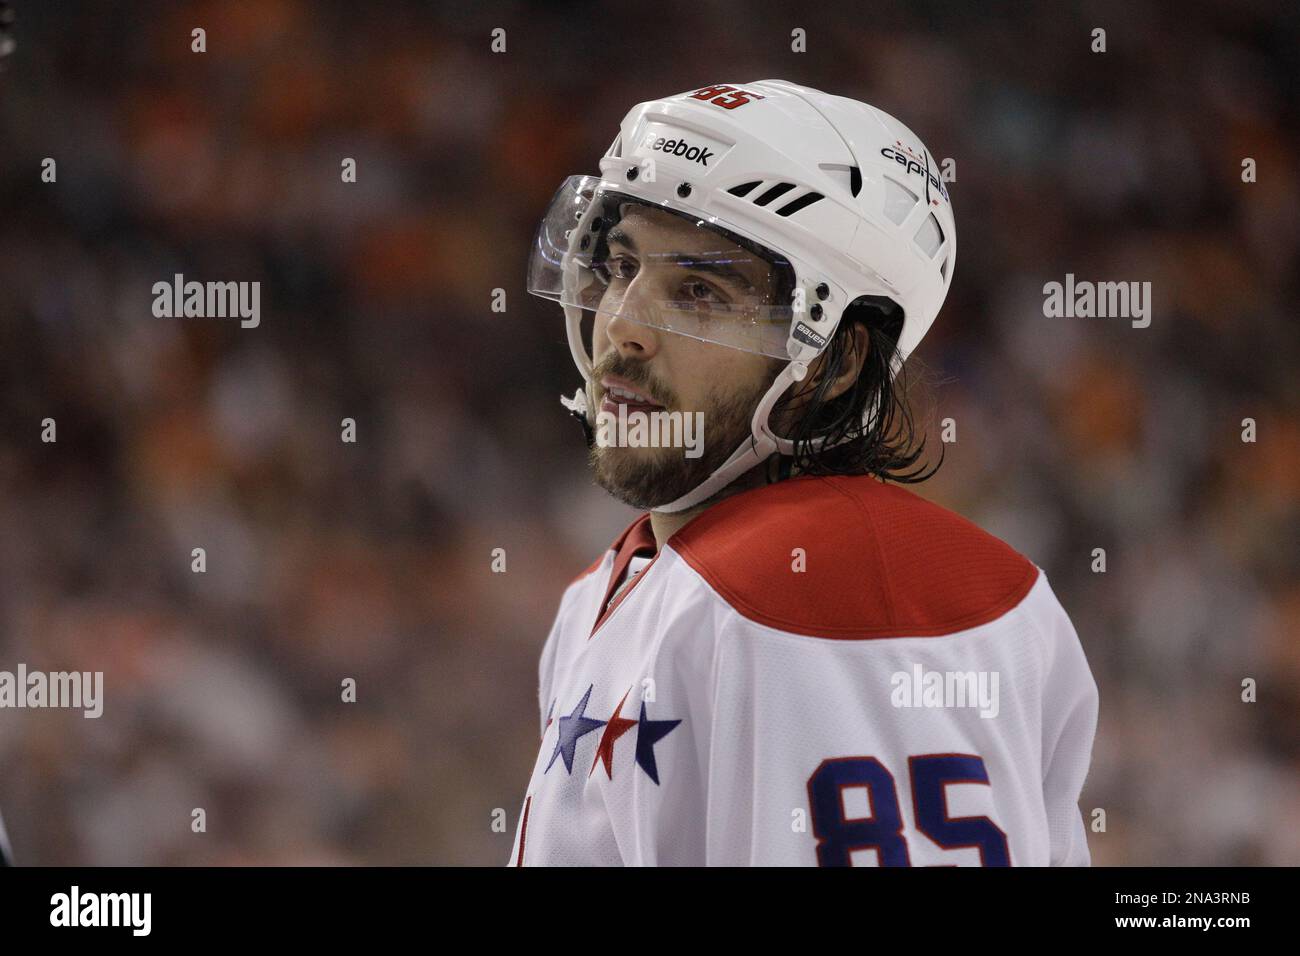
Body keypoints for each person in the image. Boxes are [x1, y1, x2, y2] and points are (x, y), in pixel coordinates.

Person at [513, 79, 1098, 866]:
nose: (621, 325)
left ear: (835, 358)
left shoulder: (803, 593)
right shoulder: (616, 587)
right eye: (621, 266)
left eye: (697, 291)